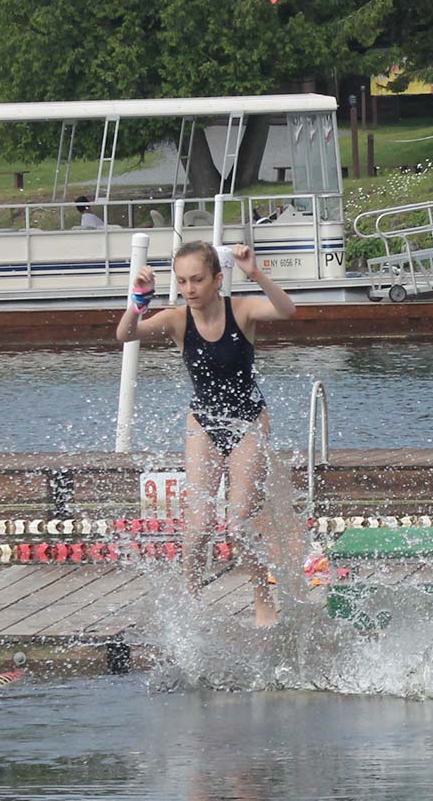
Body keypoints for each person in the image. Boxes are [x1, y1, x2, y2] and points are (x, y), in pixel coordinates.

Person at [116, 242, 298, 627]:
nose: (189, 288)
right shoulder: (178, 319)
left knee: (239, 523)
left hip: (247, 422)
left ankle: (262, 598)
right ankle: (191, 601)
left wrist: (255, 272)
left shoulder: (242, 310)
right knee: (198, 527)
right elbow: (125, 335)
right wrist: (138, 300)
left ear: (217, 279)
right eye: (182, 281)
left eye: (197, 279)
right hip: (204, 424)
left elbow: (287, 310)